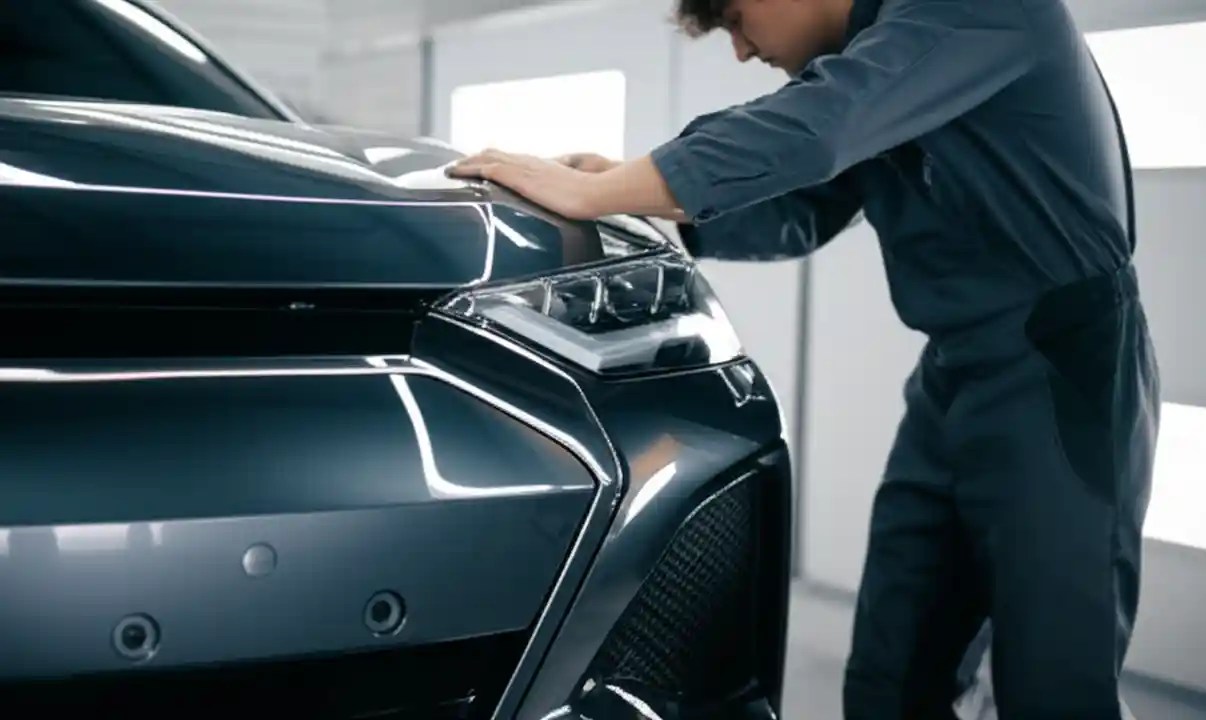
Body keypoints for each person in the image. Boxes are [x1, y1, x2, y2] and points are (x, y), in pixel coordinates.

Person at [446, 0, 1161, 716]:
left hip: (1065, 366)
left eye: (733, 19)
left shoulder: (965, 10)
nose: (740, 50)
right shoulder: (883, 56)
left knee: (1054, 678)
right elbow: (803, 205)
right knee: (892, 670)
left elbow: (820, 127)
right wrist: (639, 204)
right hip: (955, 374)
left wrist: (604, 186)